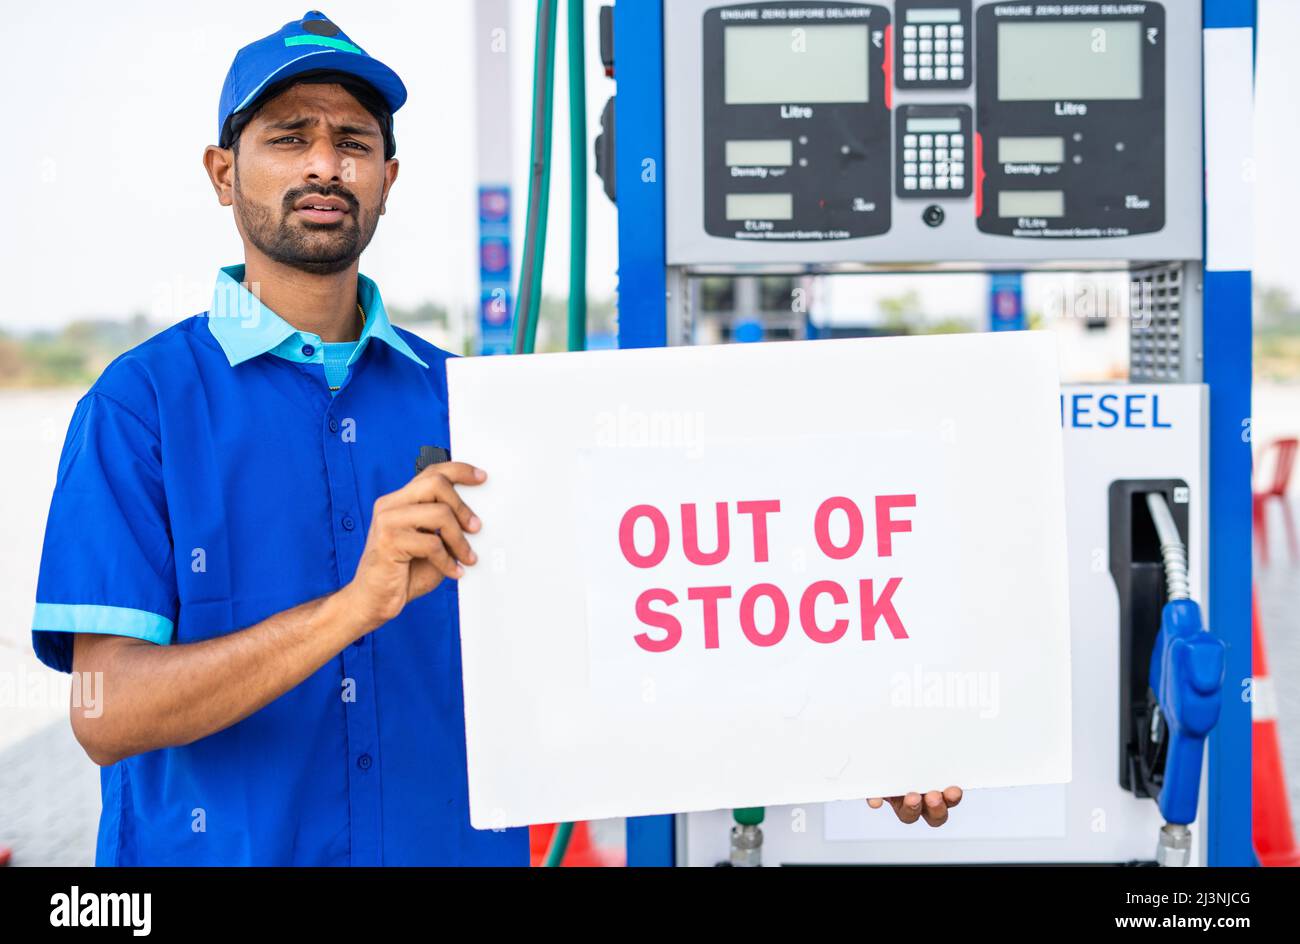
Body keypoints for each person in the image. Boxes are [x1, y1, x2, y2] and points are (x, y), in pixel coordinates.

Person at [30, 10, 961, 866]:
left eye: (353, 143)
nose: (325, 165)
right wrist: (351, 607)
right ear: (223, 172)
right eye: (288, 138)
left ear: (386, 179)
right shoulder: (139, 408)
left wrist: (852, 740)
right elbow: (109, 714)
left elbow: (646, 638)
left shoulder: (475, 406)